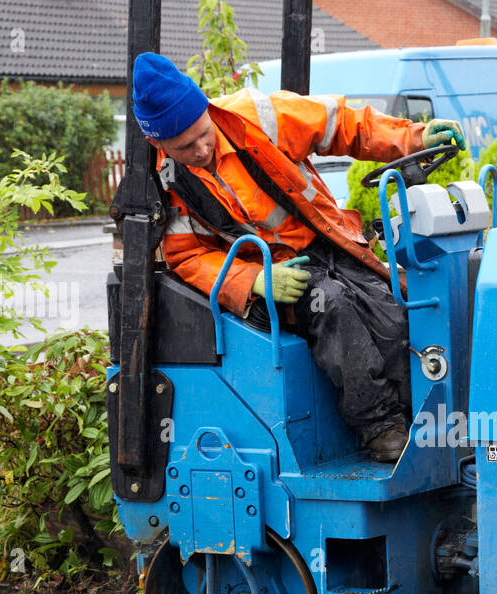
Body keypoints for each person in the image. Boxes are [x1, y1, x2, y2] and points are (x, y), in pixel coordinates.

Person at [130, 52, 465, 462]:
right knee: (335, 309)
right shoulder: (169, 185)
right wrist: (251, 280)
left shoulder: (256, 116)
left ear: (206, 110)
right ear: (157, 143)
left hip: (327, 242)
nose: (201, 148)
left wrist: (413, 138)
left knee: (393, 312)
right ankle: (380, 427)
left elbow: (341, 123)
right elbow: (187, 256)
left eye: (203, 133)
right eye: (185, 146)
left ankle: (433, 420)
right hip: (279, 275)